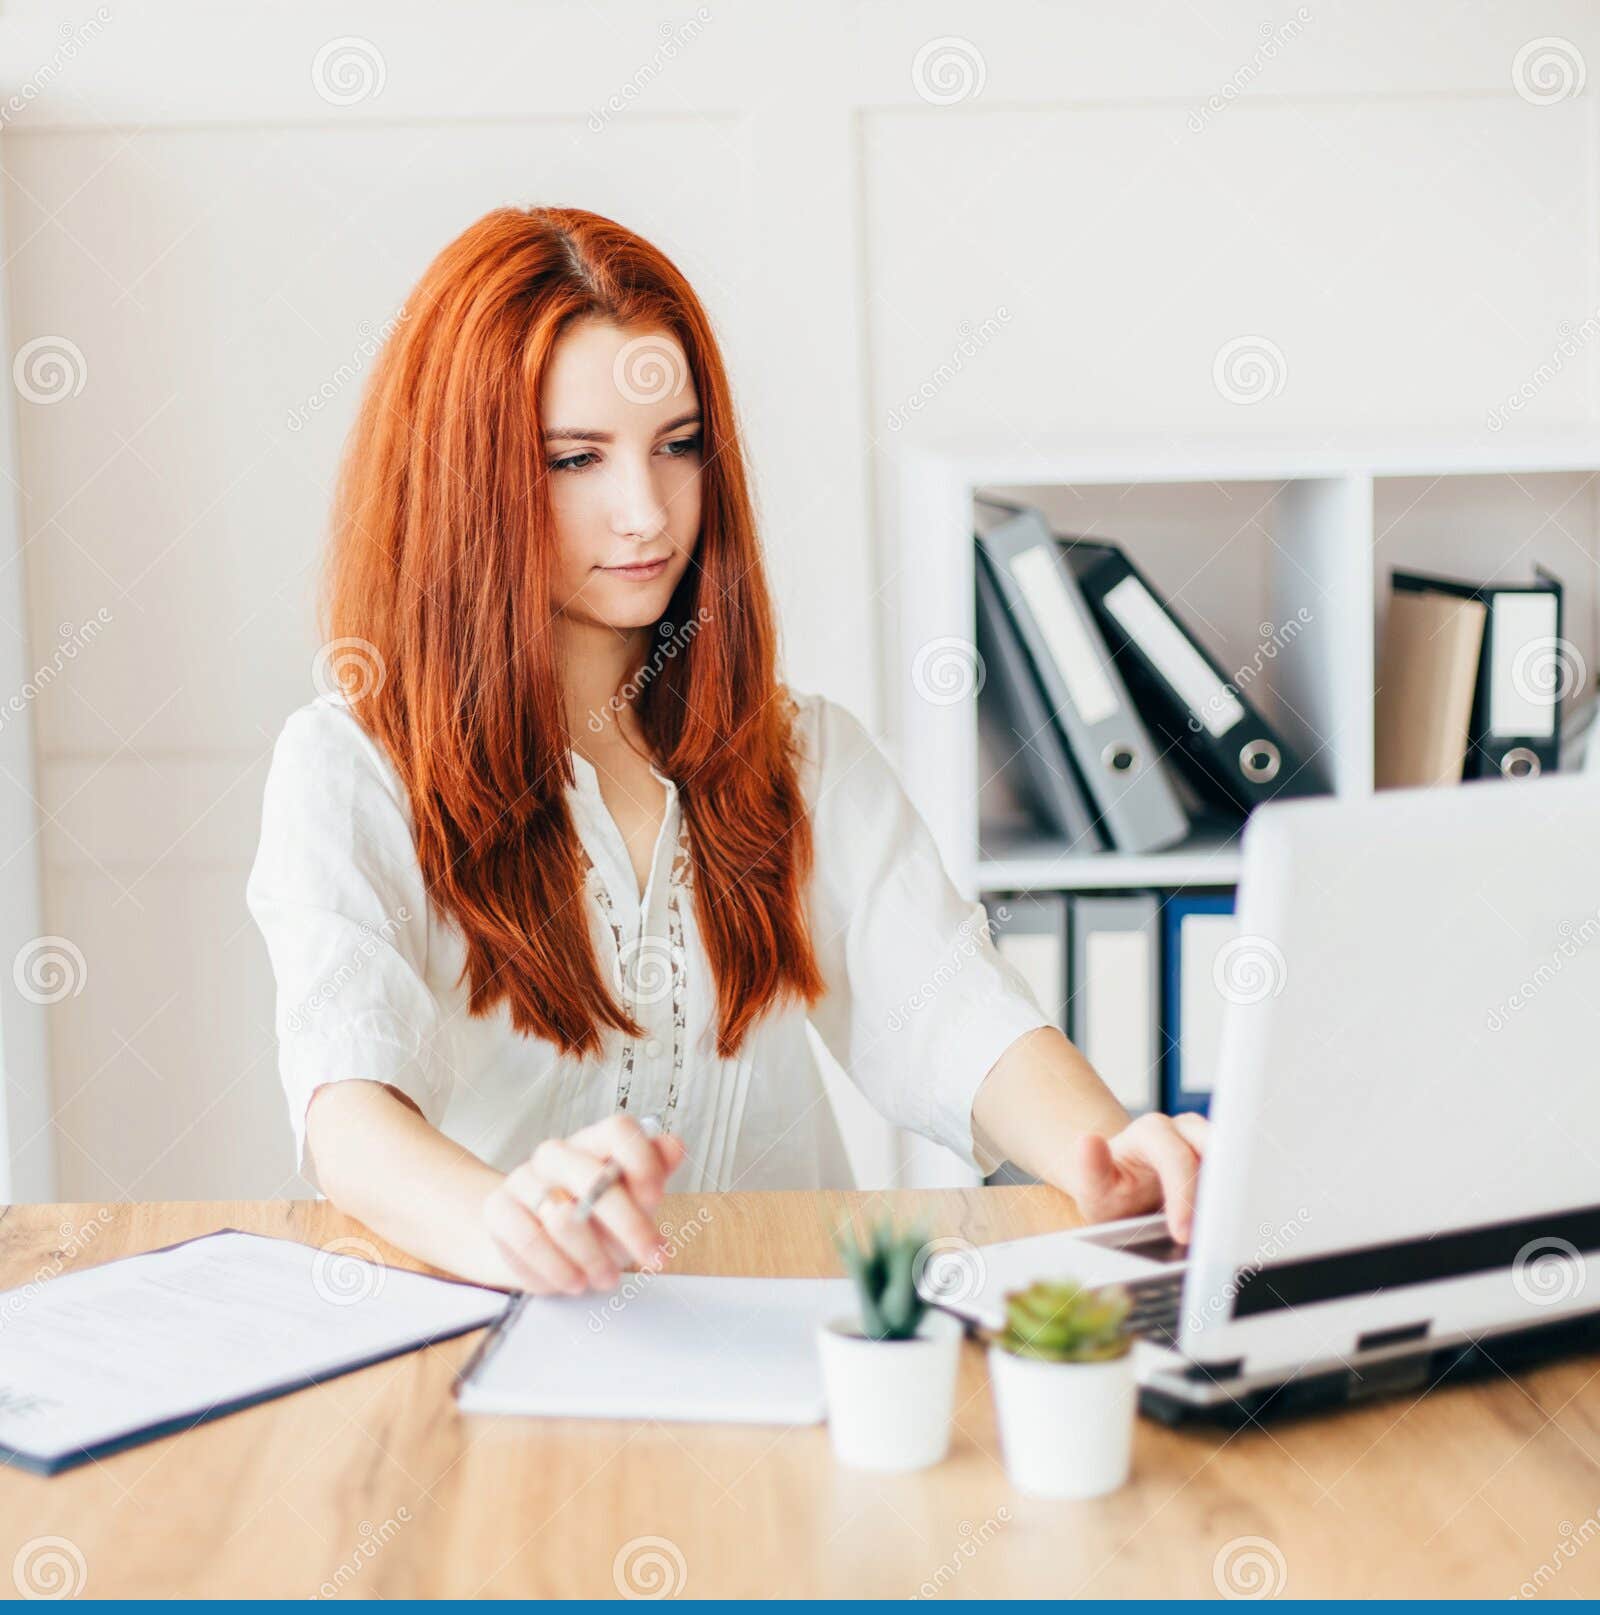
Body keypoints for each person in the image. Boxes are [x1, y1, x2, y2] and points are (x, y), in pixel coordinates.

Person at [246, 205, 1209, 1297]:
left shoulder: (800, 753)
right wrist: (508, 1222)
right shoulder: (350, 769)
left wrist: (1107, 1146)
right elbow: (349, 1109)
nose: (645, 512)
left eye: (677, 447)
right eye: (575, 459)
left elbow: (950, 1008)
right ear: (465, 481)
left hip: (787, 1328)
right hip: (488, 1335)